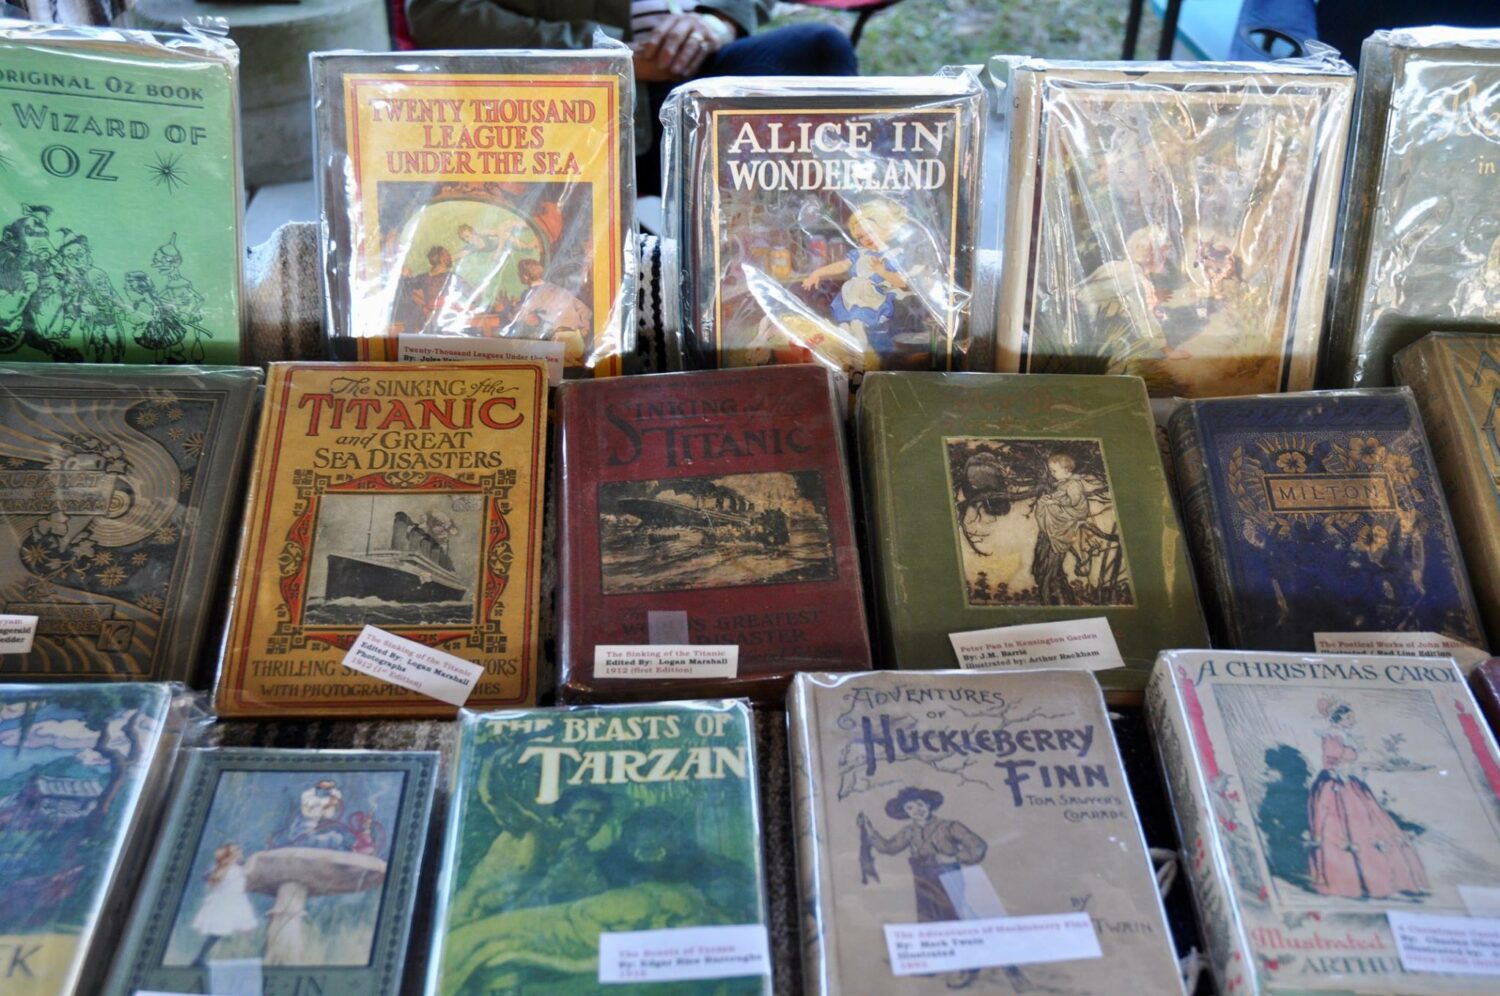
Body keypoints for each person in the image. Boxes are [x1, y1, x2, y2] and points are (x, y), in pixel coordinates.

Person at [403, 0, 859, 194]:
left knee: (820, 51)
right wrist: (607, 53)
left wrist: (714, 23)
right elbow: (437, 14)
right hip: (569, 106)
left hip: (692, 78)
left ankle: (821, 252)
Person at [1307, 697, 1429, 899]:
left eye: (1352, 718)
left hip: (1352, 782)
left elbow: (1355, 762)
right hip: (1336, 785)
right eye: (1348, 718)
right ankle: (1350, 883)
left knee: (1371, 827)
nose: (1352, 721)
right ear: (1338, 718)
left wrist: (1376, 765)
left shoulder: (1345, 736)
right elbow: (1332, 763)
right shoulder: (1332, 736)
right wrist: (1365, 766)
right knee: (1344, 830)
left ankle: (1384, 881)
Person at [190, 842, 260, 965]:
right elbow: (249, 870)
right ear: (232, 855)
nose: (241, 852)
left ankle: (202, 957)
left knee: (224, 932)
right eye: (238, 851)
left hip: (228, 901)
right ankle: (201, 958)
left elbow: (207, 878)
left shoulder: (222, 868)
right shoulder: (236, 869)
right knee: (221, 932)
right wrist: (256, 856)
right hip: (230, 903)